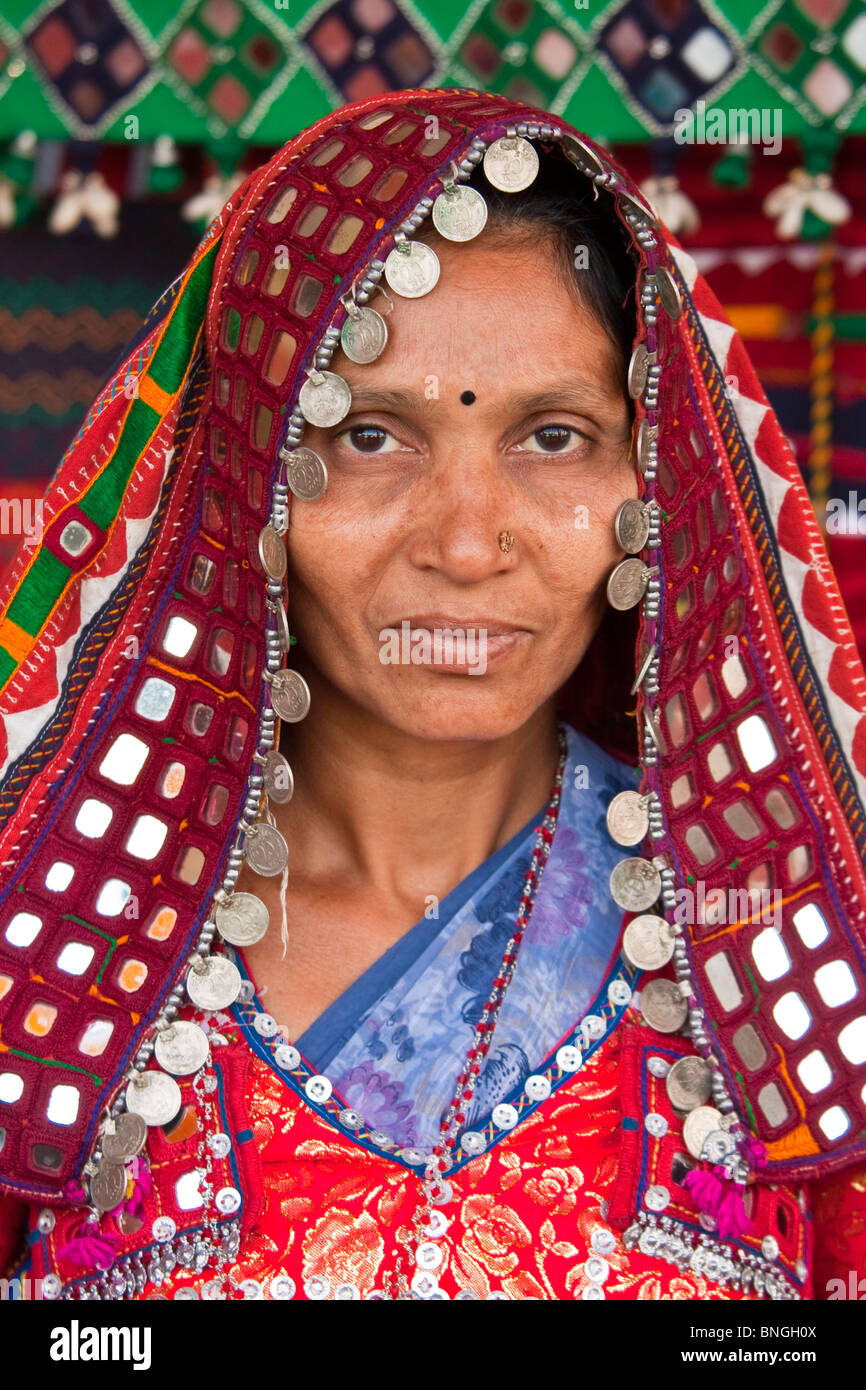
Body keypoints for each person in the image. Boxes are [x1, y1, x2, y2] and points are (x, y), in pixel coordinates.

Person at [0, 86, 864, 1302]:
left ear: (652, 472)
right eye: (367, 436)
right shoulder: (46, 949)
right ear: (245, 475)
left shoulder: (790, 951)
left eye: (552, 436)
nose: (466, 545)